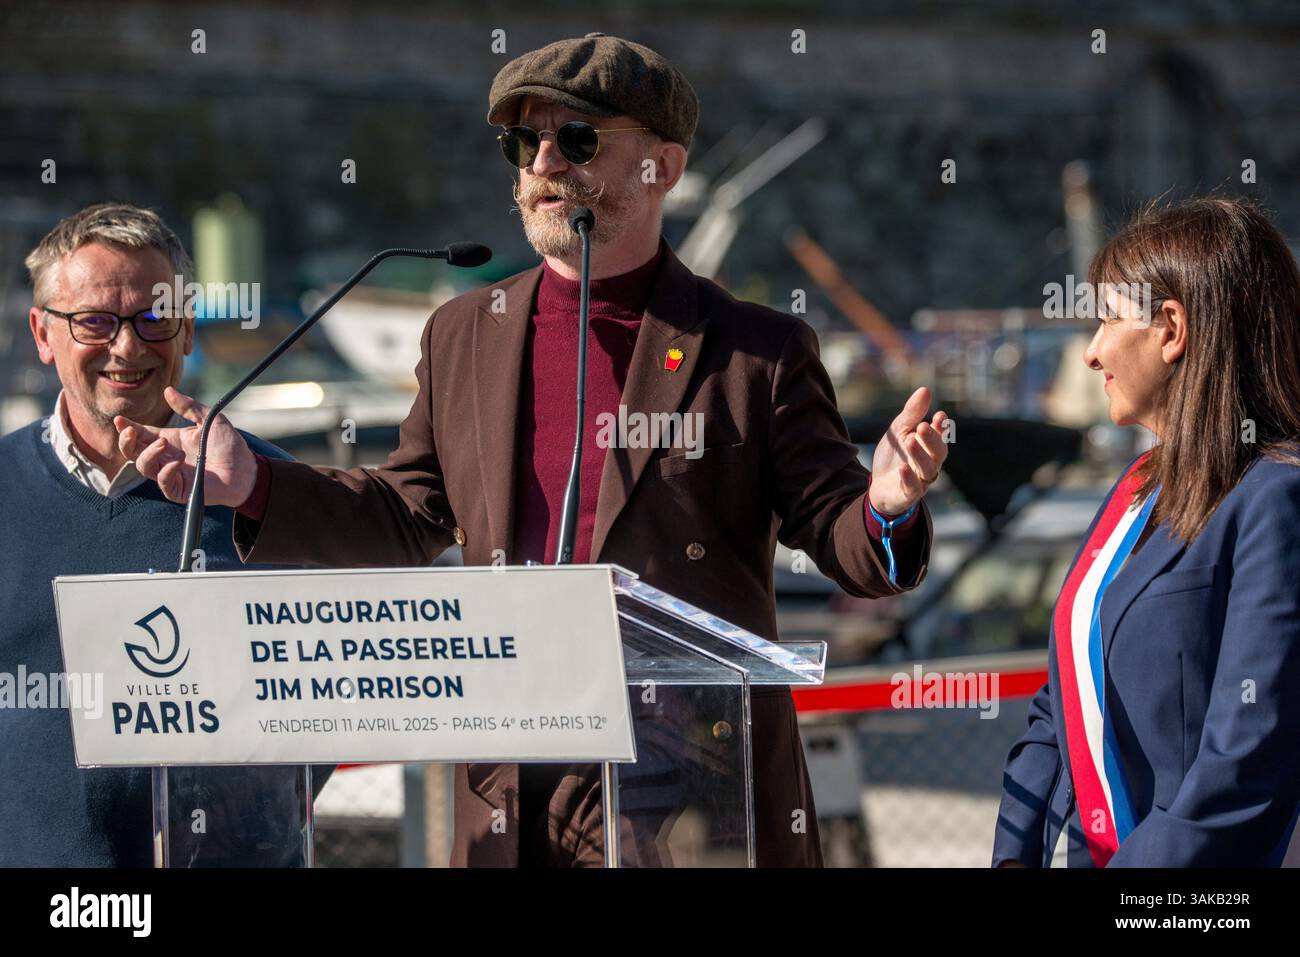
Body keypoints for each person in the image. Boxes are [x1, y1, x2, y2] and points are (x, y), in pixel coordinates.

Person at [118, 34, 949, 867]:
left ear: (662, 165)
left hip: (696, 790)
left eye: (578, 139)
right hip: (510, 793)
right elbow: (410, 517)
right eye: (525, 143)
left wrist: (886, 507)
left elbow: (845, 539)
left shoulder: (756, 349)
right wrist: (257, 482)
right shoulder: (461, 334)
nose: (544, 162)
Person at [0, 203, 326, 866]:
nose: (128, 345)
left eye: (154, 317)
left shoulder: (271, 492)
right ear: (41, 332)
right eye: (96, 320)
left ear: (185, 330)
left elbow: (325, 699)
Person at [994, 196, 1300, 867]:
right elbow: (1063, 697)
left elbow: (1245, 763)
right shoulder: (1136, 486)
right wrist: (1014, 854)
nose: (1093, 351)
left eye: (1106, 318)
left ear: (1171, 328)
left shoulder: (1275, 499)